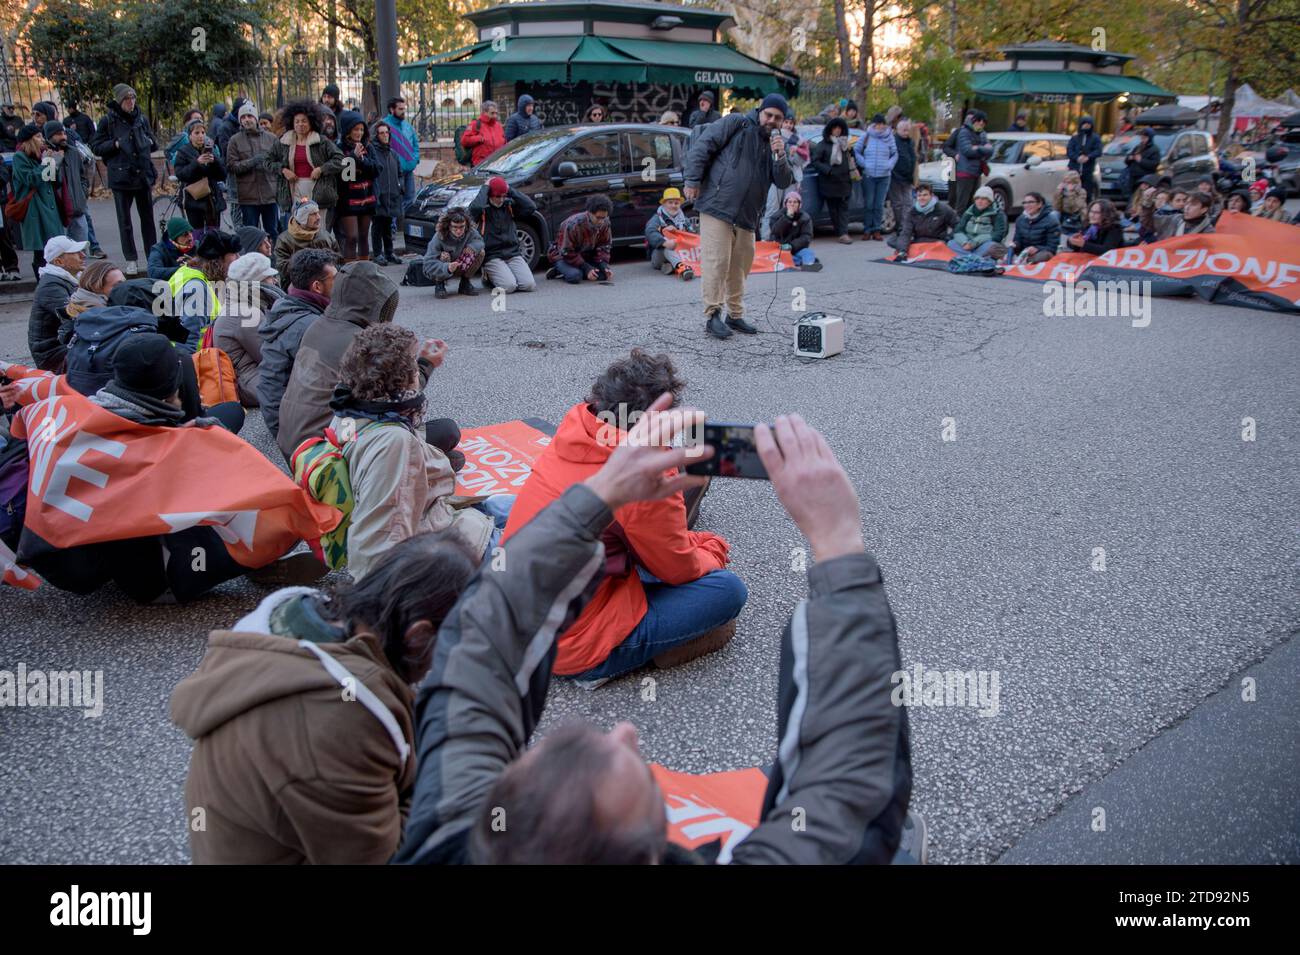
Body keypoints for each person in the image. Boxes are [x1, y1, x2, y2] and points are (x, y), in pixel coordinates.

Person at [393, 405, 912, 865]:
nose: (623, 733)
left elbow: (481, 639)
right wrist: (838, 541)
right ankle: (607, 662)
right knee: (725, 591)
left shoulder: (446, 839)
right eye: (634, 773)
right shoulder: (452, 826)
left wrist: (596, 496)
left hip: (574, 616)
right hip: (591, 634)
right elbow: (847, 795)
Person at [172, 521, 481, 864]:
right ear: (419, 635)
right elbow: (386, 858)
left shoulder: (294, 611)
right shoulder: (339, 722)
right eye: (455, 641)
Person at [499, 351, 745, 687]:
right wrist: (713, 545)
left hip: (516, 621)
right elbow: (678, 569)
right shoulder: (648, 470)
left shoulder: (575, 430)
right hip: (571, 645)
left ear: (600, 398)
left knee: (651, 546)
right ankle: (608, 662)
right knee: (727, 590)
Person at [327, 324, 497, 581]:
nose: (417, 372)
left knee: (527, 503)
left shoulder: (352, 408)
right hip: (443, 546)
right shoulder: (393, 444)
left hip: (437, 513)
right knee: (558, 537)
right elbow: (376, 553)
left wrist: (426, 362)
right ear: (403, 380)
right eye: (413, 366)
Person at [277, 260, 417, 461]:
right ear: (374, 303)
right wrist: (425, 364)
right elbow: (400, 400)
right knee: (441, 434)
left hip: (293, 444)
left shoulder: (317, 324)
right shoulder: (360, 344)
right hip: (324, 453)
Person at [683, 93, 794, 340]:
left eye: (778, 118)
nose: (772, 121)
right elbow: (705, 145)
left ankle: (734, 314)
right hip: (717, 204)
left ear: (783, 120)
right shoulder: (736, 123)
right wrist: (691, 179)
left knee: (740, 266)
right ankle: (713, 315)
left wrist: (781, 156)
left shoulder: (775, 145)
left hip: (747, 214)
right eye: (769, 115)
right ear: (760, 111)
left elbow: (784, 180)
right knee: (717, 261)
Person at [257, 248, 339, 442]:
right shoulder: (309, 326)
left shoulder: (287, 304)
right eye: (335, 279)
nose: (341, 284)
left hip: (280, 417)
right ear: (317, 287)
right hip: (299, 430)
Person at [92, 84, 158, 276]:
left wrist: (148, 142)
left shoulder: (141, 119)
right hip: (121, 176)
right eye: (127, 99)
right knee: (125, 221)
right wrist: (116, 144)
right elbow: (96, 146)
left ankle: (152, 256)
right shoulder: (108, 121)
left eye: (133, 98)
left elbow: (154, 143)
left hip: (142, 174)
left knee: (148, 220)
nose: (131, 102)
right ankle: (131, 259)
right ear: (119, 101)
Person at [214, 251, 281, 406]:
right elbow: (269, 356)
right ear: (257, 282)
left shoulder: (241, 304)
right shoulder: (247, 313)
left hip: (250, 377)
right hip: (251, 383)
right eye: (269, 277)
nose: (275, 281)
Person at [266, 101, 345, 225]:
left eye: (304, 121)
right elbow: (267, 161)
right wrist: (283, 170)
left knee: (317, 227)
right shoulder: (283, 142)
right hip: (293, 189)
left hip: (318, 188)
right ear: (292, 122)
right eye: (297, 121)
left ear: (311, 122)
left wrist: (322, 169)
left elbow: (341, 159)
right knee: (298, 227)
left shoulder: (321, 141)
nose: (300, 124)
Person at [168, 230, 239, 346]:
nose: (238, 259)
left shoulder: (187, 271)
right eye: (234, 255)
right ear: (217, 261)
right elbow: (187, 341)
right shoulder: (198, 289)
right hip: (196, 359)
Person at [468, 176, 537, 293]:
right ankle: (488, 277)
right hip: (493, 255)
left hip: (513, 253)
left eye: (503, 196)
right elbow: (475, 208)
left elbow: (531, 207)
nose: (500, 199)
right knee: (509, 287)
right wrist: (485, 187)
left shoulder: (509, 205)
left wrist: (508, 189)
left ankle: (504, 275)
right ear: (490, 195)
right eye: (497, 196)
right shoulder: (482, 209)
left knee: (529, 285)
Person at [28, 236, 86, 372]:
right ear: (59, 261)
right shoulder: (51, 285)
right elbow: (76, 314)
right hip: (53, 356)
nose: (83, 255)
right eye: (76, 253)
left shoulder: (69, 278)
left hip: (67, 347)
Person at [11, 125, 63, 279]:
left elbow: (53, 181)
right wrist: (46, 162)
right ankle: (43, 283)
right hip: (36, 209)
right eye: (38, 136)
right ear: (29, 140)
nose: (42, 140)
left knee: (54, 249)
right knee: (41, 251)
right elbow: (31, 179)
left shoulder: (41, 156)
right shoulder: (20, 157)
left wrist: (54, 163)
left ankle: (53, 281)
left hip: (49, 207)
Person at [226, 102, 280, 240]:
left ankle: (274, 259)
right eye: (243, 117)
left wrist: (269, 164)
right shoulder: (235, 140)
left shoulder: (271, 138)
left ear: (256, 118)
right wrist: (252, 162)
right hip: (248, 197)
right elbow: (231, 166)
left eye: (250, 116)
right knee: (252, 234)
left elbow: (280, 162)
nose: (247, 120)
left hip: (270, 195)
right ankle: (253, 259)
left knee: (272, 232)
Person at [334, 111, 381, 262]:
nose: (359, 133)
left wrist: (362, 160)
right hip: (348, 201)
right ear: (348, 130)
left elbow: (376, 169)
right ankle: (349, 271)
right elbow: (343, 176)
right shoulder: (339, 148)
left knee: (363, 237)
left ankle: (364, 270)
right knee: (351, 237)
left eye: (361, 129)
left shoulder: (368, 146)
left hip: (367, 199)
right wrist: (353, 157)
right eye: (355, 129)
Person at [172, 119, 228, 232]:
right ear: (190, 136)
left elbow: (222, 175)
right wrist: (197, 163)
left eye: (203, 132)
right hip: (193, 201)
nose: (200, 136)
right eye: (196, 133)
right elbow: (181, 174)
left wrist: (215, 162)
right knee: (197, 235)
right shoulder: (183, 152)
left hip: (212, 200)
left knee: (214, 234)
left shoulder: (210, 150)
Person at [546, 196, 614, 284]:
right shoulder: (573, 224)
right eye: (598, 218)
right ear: (590, 213)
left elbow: (605, 245)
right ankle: (558, 269)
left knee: (603, 275)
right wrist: (587, 268)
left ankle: (576, 269)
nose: (601, 221)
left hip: (584, 255)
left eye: (603, 218)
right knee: (575, 277)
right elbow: (566, 251)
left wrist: (604, 265)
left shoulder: (605, 223)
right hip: (563, 256)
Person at [273, 199, 341, 286]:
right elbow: (282, 267)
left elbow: (338, 259)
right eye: (313, 214)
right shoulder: (284, 240)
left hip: (325, 281)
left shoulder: (326, 236)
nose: (318, 217)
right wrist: (309, 265)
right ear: (302, 218)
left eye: (318, 213)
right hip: (296, 284)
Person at [43, 122, 91, 244]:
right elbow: (47, 179)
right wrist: (56, 160)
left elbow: (83, 176)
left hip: (77, 210)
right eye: (59, 134)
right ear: (50, 137)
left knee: (80, 254)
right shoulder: (46, 155)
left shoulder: (74, 152)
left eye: (64, 133)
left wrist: (82, 194)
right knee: (61, 256)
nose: (63, 137)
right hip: (58, 214)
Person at [812, 117, 856, 244]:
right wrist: (828, 170)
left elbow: (852, 159)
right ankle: (840, 231)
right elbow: (815, 161)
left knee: (843, 208)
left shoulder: (846, 145)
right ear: (830, 129)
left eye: (839, 128)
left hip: (844, 181)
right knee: (833, 209)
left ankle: (843, 233)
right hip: (829, 182)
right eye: (835, 128)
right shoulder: (823, 145)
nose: (837, 131)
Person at [422, 209, 484, 298]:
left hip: (462, 264)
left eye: (461, 227)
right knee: (444, 255)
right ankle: (440, 284)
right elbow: (427, 264)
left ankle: (465, 282)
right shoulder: (439, 236)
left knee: (480, 252)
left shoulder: (470, 231)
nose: (458, 231)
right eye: (455, 227)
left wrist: (472, 246)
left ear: (466, 225)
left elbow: (480, 241)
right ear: (449, 226)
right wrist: (446, 267)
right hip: (445, 268)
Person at [888, 181, 958, 260]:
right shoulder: (912, 211)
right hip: (919, 240)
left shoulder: (943, 209)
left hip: (938, 241)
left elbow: (958, 225)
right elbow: (906, 232)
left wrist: (949, 238)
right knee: (891, 240)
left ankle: (925, 251)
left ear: (931, 195)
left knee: (956, 242)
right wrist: (902, 252)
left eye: (925, 195)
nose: (922, 198)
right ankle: (915, 250)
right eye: (919, 195)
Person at [856, 113, 898, 241]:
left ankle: (877, 229)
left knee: (879, 204)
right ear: (873, 125)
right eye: (877, 124)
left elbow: (895, 153)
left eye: (882, 124)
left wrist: (889, 165)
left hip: (884, 176)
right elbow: (857, 151)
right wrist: (864, 164)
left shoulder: (889, 137)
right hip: (869, 175)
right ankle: (867, 229)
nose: (880, 127)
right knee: (869, 204)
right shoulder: (866, 136)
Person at [643, 187, 696, 280]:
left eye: (676, 203)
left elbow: (693, 236)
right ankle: (682, 268)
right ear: (664, 204)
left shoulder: (685, 220)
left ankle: (670, 267)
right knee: (668, 249)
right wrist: (664, 242)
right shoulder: (657, 218)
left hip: (681, 253)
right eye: (670, 202)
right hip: (659, 254)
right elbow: (649, 232)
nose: (673, 205)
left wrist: (686, 232)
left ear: (680, 204)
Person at [369, 122, 404, 266]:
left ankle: (389, 253)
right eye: (382, 133)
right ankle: (377, 253)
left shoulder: (393, 154)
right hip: (378, 195)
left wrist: (400, 186)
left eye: (387, 133)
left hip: (392, 195)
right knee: (377, 225)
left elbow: (400, 173)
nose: (385, 135)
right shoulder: (372, 152)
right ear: (376, 135)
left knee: (388, 226)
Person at [380, 97, 420, 217]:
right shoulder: (384, 126)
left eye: (404, 108)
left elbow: (415, 144)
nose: (403, 111)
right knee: (394, 201)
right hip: (394, 172)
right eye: (400, 109)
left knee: (410, 199)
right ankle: (391, 232)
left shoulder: (408, 126)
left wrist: (415, 160)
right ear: (392, 109)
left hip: (408, 170)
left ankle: (405, 226)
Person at [949, 109, 992, 215]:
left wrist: (977, 148)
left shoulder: (982, 133)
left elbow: (991, 150)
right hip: (964, 172)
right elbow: (967, 151)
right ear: (974, 121)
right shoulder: (963, 132)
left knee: (973, 203)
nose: (981, 124)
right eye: (979, 121)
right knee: (961, 204)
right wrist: (983, 149)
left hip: (977, 172)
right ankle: (958, 228)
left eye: (984, 122)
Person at [947, 186, 1007, 258]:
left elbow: (998, 235)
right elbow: (958, 230)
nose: (979, 201)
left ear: (990, 201)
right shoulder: (969, 212)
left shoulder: (997, 214)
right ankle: (974, 259)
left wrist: (975, 243)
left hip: (984, 244)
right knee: (951, 243)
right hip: (967, 244)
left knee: (992, 247)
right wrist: (964, 242)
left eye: (983, 199)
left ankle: (967, 258)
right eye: (977, 198)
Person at [769, 191, 820, 270]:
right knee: (778, 257)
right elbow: (776, 232)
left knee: (808, 252)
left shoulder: (805, 218)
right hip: (781, 249)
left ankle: (809, 264)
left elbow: (806, 237)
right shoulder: (776, 216)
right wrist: (787, 218)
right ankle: (798, 262)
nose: (792, 204)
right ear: (785, 204)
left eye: (795, 202)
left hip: (797, 249)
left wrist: (792, 246)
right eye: (789, 202)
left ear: (799, 205)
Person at [1137, 190, 1214, 241]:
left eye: (1193, 204)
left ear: (1204, 209)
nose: (1187, 207)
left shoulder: (1208, 231)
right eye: (1187, 203)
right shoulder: (1175, 219)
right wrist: (1147, 205)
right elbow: (1148, 222)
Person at [1007, 192, 1060, 263]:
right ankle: (1018, 262)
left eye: (1031, 202)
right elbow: (1018, 240)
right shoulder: (1020, 219)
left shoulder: (1051, 220)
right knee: (994, 247)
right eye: (1025, 203)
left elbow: (1053, 247)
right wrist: (1014, 244)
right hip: (1024, 253)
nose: (1027, 205)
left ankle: (1022, 263)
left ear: (1039, 204)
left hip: (1041, 253)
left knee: (1044, 255)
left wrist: (1037, 249)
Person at [887, 117, 918, 238]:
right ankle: (900, 226)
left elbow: (913, 158)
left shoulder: (910, 141)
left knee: (908, 203)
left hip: (907, 178)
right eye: (904, 130)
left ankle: (906, 227)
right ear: (898, 130)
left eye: (907, 130)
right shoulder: (893, 141)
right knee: (898, 204)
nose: (906, 133)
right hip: (895, 177)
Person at [1066, 116, 1103, 202]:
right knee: (1072, 192)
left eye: (1088, 124)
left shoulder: (1095, 138)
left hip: (1088, 169)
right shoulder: (1075, 138)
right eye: (1084, 124)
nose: (1086, 126)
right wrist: (1076, 158)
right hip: (1074, 169)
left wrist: (1088, 157)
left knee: (1086, 193)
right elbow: (1069, 150)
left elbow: (1098, 151)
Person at [1120, 127, 1161, 200]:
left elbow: (1154, 164)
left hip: (1144, 178)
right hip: (1133, 177)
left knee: (1141, 197)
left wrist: (1141, 160)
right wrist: (1130, 158)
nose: (1142, 139)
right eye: (1141, 137)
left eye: (1144, 138)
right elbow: (1127, 160)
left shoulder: (1154, 149)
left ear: (1149, 138)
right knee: (1132, 196)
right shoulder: (1138, 147)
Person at [460, 101, 505, 167]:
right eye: (492, 113)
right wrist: (479, 138)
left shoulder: (498, 126)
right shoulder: (475, 124)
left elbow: (504, 141)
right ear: (484, 112)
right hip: (481, 164)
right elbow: (464, 140)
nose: (495, 116)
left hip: (498, 163)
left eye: (496, 113)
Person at [1054, 169, 1088, 234]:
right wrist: (1058, 192)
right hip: (1064, 215)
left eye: (1069, 183)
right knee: (1054, 214)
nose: (1067, 185)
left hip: (1076, 216)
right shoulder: (1062, 191)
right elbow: (1056, 207)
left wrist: (1070, 194)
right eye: (1065, 182)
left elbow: (1073, 209)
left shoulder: (1081, 192)